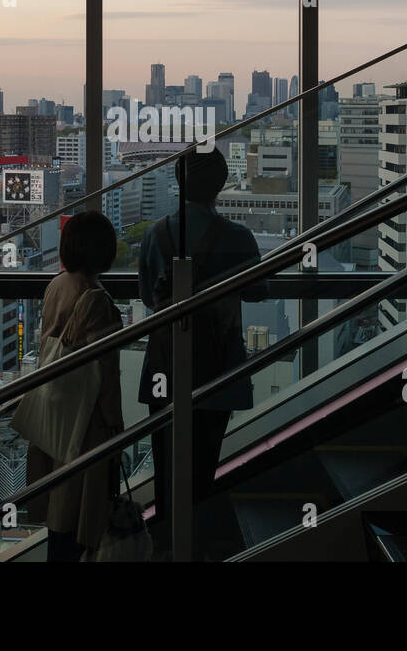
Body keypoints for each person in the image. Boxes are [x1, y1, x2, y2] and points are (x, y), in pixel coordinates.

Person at [137, 147, 267, 557]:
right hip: (217, 370)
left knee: (166, 469)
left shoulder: (155, 234)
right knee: (202, 469)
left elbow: (145, 296)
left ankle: (167, 545)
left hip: (163, 368)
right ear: (222, 184)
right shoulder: (238, 238)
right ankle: (196, 545)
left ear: (179, 183)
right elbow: (259, 292)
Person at [21, 211, 125, 562]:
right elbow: (106, 374)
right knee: (81, 520)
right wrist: (115, 426)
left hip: (54, 413)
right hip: (85, 424)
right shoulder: (96, 299)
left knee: (58, 520)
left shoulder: (57, 285)